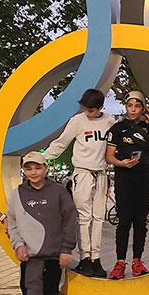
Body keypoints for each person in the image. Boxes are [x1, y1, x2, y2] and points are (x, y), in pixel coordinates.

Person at [6, 152, 79, 295]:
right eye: (28, 169)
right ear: (24, 170)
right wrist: (17, 244)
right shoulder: (17, 194)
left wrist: (67, 249)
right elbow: (13, 222)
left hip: (54, 258)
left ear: (45, 168)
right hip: (31, 259)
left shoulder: (58, 191)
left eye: (37, 168)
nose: (33, 173)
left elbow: (70, 219)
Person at [44, 88, 116, 278]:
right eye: (85, 109)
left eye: (91, 110)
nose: (87, 113)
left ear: (101, 107)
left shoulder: (109, 121)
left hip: (101, 173)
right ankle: (85, 258)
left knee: (99, 216)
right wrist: (43, 159)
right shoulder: (77, 121)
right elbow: (61, 143)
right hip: (82, 172)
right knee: (84, 217)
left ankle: (96, 258)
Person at [105, 90, 149, 279]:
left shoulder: (148, 128)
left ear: (143, 108)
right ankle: (120, 262)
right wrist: (122, 163)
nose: (133, 110)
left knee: (140, 221)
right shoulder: (117, 129)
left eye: (137, 106)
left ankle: (137, 261)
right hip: (124, 178)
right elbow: (108, 157)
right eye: (130, 105)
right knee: (124, 221)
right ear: (125, 106)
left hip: (145, 179)